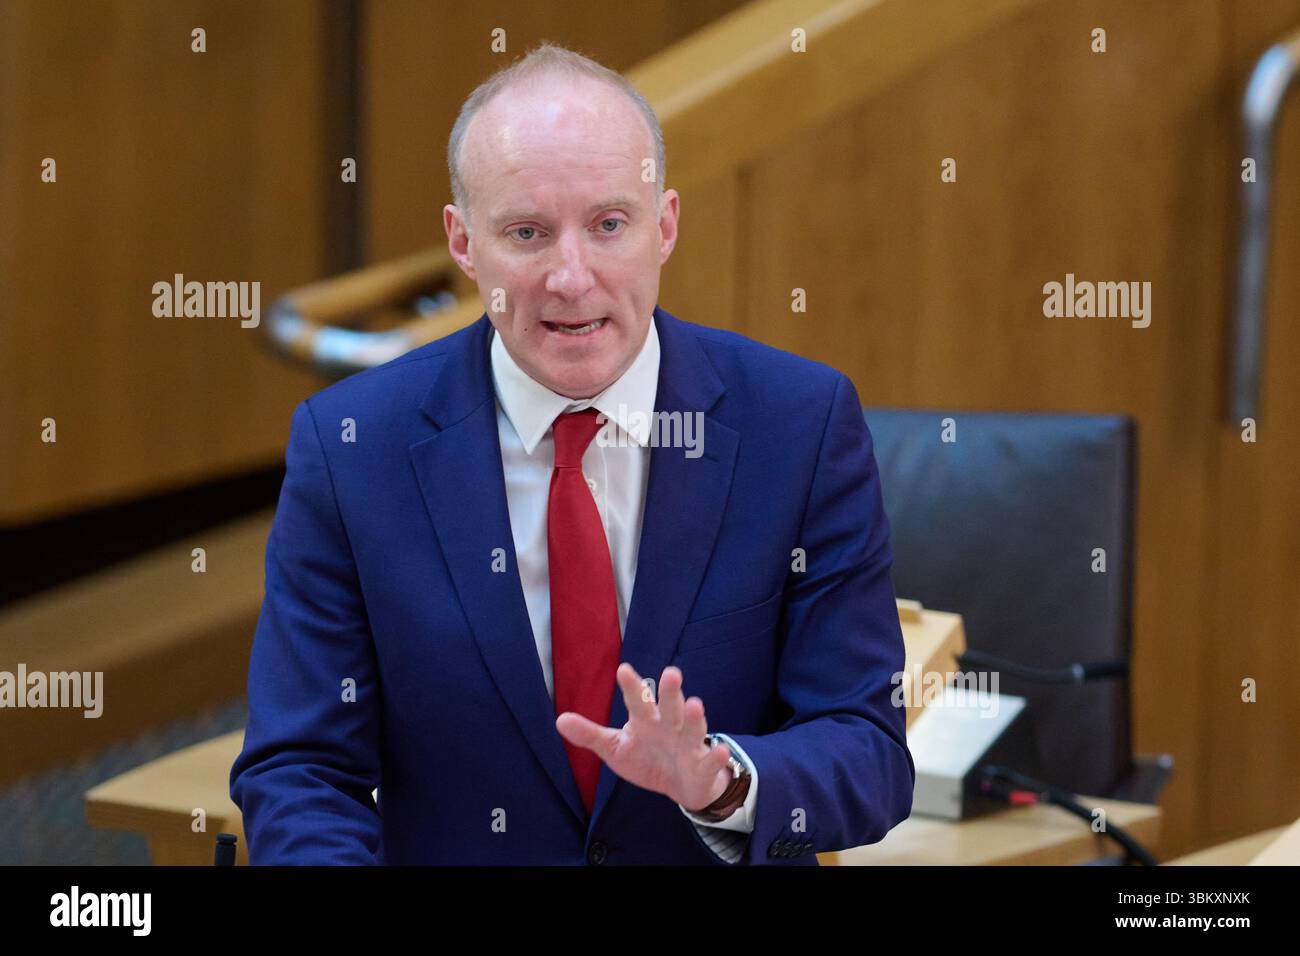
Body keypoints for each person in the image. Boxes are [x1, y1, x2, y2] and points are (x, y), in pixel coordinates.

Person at [229, 41, 914, 865]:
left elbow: (868, 748)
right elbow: (301, 768)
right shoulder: (351, 448)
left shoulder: (799, 425)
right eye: (526, 232)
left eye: (608, 224)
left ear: (664, 226)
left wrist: (721, 781)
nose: (570, 276)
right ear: (463, 244)